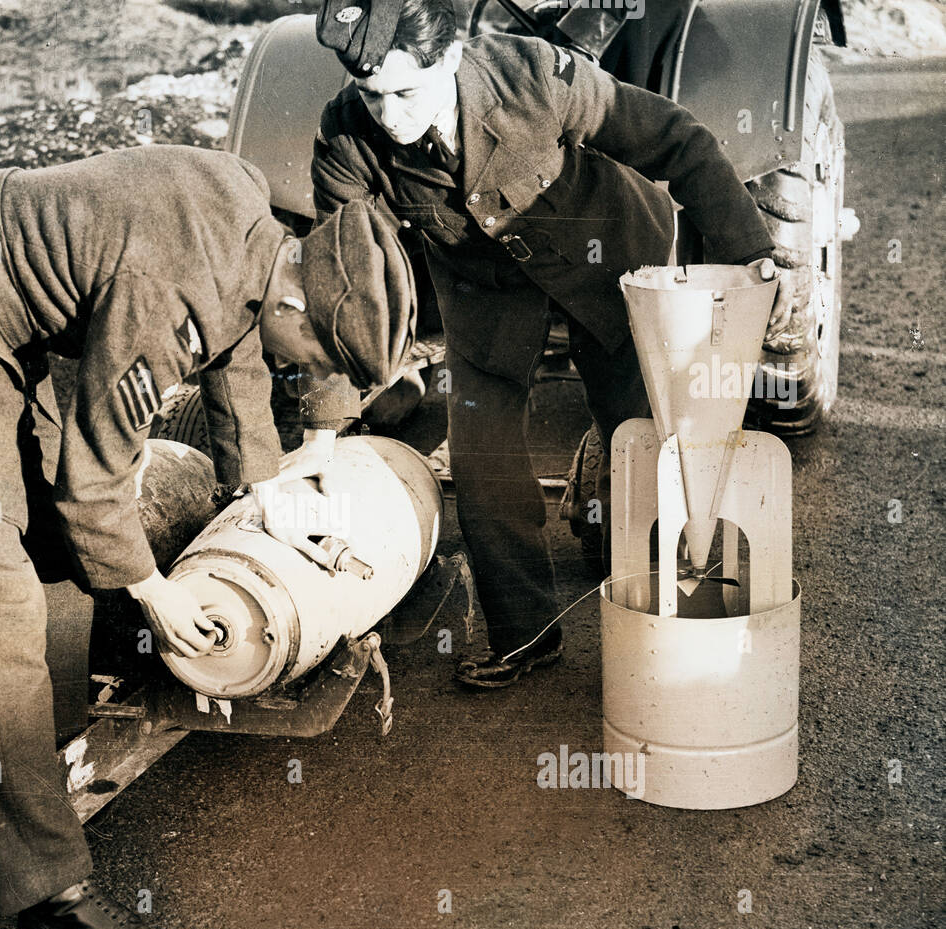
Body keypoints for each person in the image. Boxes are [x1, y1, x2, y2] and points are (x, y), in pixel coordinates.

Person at [0, 145, 415, 929]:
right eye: (309, 357)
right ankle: (48, 894)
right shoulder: (172, 294)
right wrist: (155, 593)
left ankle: (34, 749)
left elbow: (237, 351)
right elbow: (97, 482)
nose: (301, 374)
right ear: (298, 297)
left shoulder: (256, 230)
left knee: (54, 546)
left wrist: (266, 489)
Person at [311, 0, 796, 687]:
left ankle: (686, 626)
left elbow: (677, 139)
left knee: (651, 446)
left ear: (449, 58)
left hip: (608, 263)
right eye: (371, 94)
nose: (388, 117)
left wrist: (750, 250)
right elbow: (341, 278)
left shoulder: (533, 75)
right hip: (486, 294)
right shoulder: (345, 134)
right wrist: (324, 430)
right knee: (482, 463)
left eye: (405, 92)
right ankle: (524, 634)